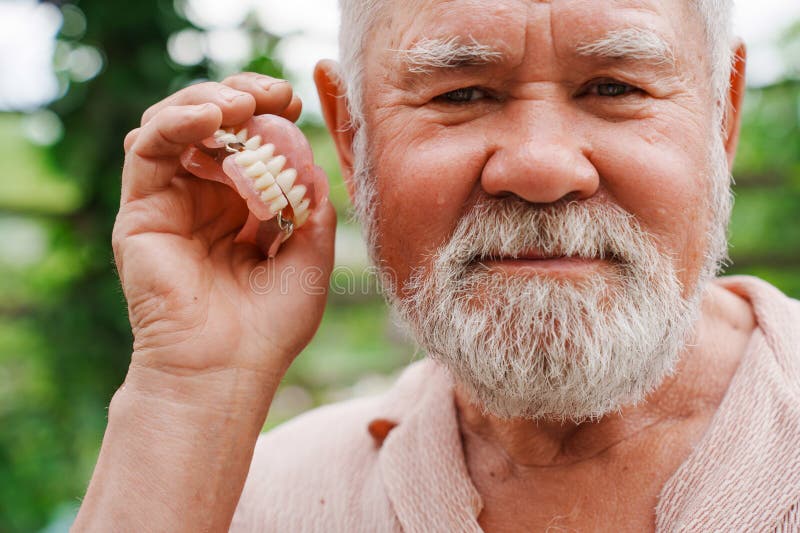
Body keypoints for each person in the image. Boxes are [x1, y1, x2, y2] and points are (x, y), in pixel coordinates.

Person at [72, 0, 800, 531]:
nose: (540, 167)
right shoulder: (250, 499)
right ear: (353, 140)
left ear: (721, 118)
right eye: (462, 94)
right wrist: (193, 387)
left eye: (614, 87)